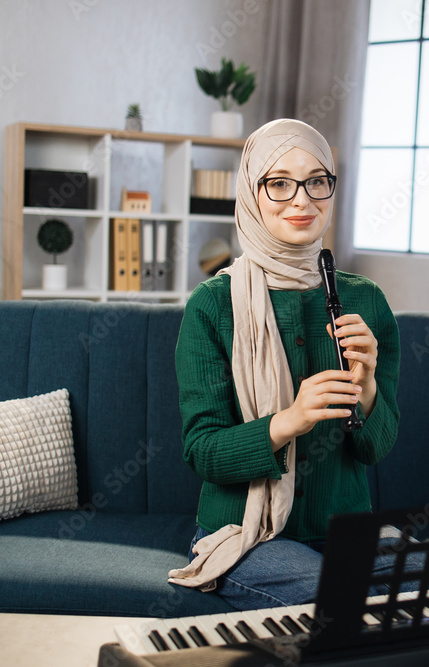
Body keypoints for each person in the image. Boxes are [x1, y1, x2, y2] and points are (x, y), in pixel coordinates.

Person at [167, 119, 402, 611]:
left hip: (347, 534)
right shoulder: (212, 305)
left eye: (318, 181)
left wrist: (369, 389)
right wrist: (289, 420)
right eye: (279, 183)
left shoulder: (367, 301)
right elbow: (202, 451)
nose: (302, 200)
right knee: (337, 597)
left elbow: (375, 449)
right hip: (248, 536)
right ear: (252, 194)